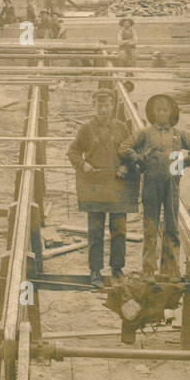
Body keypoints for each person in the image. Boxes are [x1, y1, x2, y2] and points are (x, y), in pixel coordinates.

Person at [120, 94, 190, 280]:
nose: (162, 113)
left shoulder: (178, 135)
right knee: (150, 227)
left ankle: (170, 269)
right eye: (158, 110)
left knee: (172, 226)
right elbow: (124, 147)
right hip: (151, 183)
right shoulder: (145, 133)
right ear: (152, 113)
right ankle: (149, 269)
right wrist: (138, 159)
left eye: (165, 110)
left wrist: (183, 162)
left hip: (172, 184)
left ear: (171, 112)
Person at [67, 88, 137, 287]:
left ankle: (117, 269)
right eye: (99, 106)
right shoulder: (86, 129)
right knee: (95, 232)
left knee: (119, 230)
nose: (103, 110)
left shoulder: (122, 128)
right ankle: (95, 271)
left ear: (112, 106)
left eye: (106, 106)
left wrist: (126, 165)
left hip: (117, 186)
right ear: (93, 107)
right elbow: (72, 152)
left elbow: (133, 152)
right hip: (95, 186)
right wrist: (83, 164)